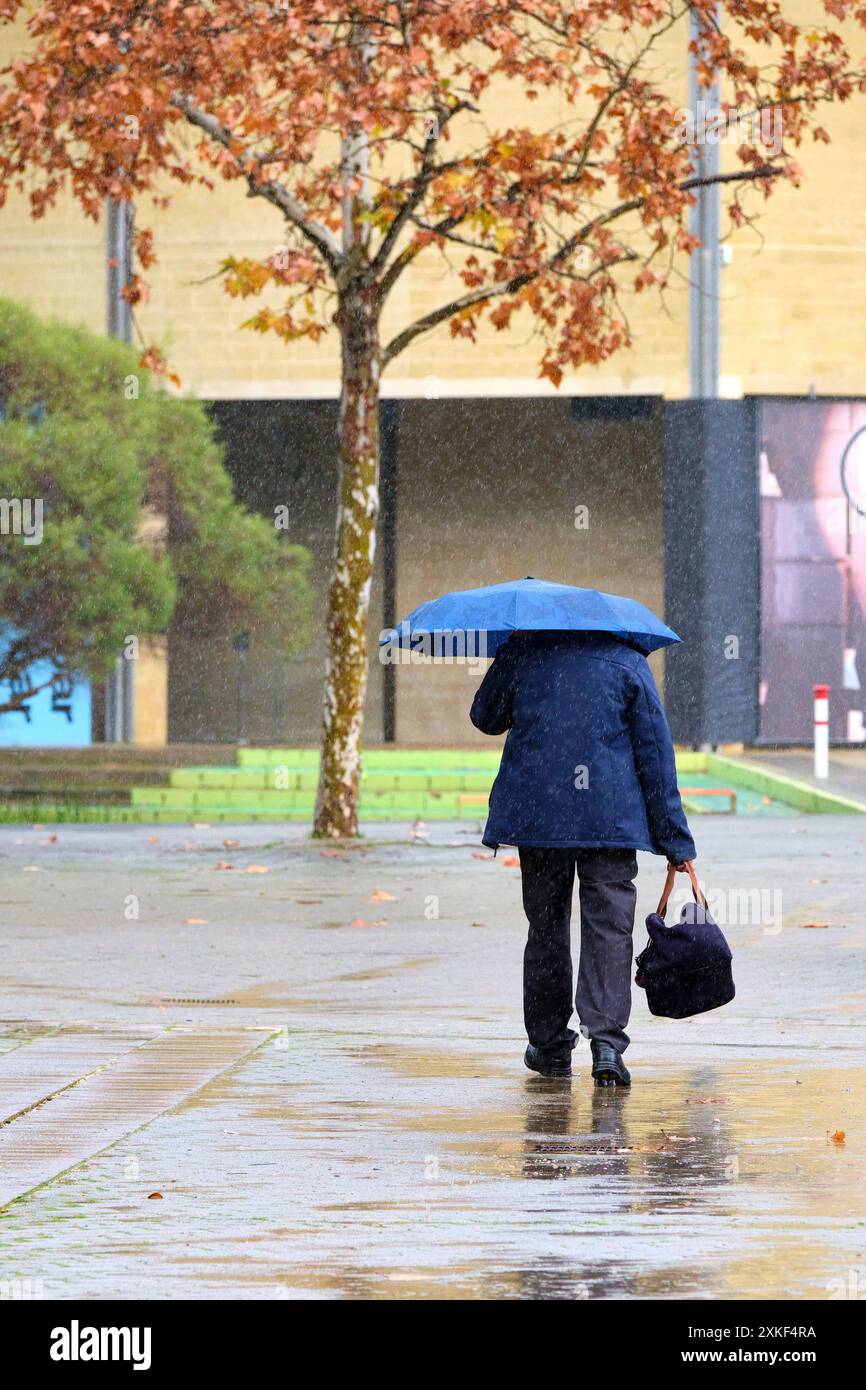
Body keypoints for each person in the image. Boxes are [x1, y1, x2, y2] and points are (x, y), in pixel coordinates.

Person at [470, 629, 695, 1086]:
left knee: (547, 926)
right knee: (609, 926)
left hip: (541, 816)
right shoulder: (627, 661)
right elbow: (655, 753)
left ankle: (550, 1046)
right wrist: (676, 842)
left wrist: (509, 663)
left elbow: (485, 717)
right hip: (608, 820)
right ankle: (606, 1044)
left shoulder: (524, 652)